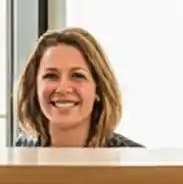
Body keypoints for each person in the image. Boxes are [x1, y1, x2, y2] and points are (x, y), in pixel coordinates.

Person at [12, 27, 142, 148]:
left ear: (98, 88)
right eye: (51, 76)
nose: (63, 88)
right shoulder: (19, 153)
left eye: (77, 76)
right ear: (34, 86)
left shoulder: (135, 161)